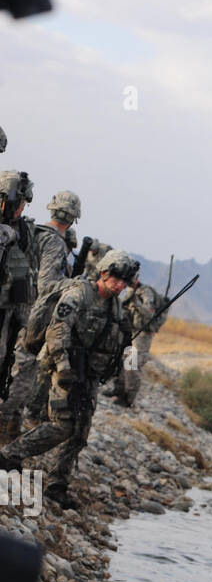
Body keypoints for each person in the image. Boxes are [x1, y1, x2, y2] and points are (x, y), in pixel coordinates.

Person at [0, 248, 136, 508]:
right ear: (104, 273)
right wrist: (63, 367)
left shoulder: (117, 308)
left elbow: (129, 343)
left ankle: (57, 485)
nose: (119, 285)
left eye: (124, 281)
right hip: (63, 368)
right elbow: (57, 331)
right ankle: (9, 454)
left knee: (80, 433)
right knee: (62, 425)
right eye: (115, 278)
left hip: (90, 375)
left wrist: (126, 371)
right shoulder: (79, 294)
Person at [0, 188, 81, 438]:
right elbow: (46, 284)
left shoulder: (29, 230)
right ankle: (4, 421)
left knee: (9, 366)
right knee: (23, 374)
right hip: (31, 315)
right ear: (73, 218)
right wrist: (76, 285)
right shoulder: (54, 242)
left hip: (11, 308)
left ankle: (10, 429)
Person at [0, 170, 36, 436]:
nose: (21, 209)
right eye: (18, 203)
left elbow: (24, 273)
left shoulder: (22, 231)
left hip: (7, 314)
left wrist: (22, 318)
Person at [109, 275, 168, 407]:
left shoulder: (146, 293)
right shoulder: (131, 291)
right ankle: (118, 390)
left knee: (132, 364)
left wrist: (136, 303)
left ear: (136, 279)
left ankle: (129, 398)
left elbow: (149, 313)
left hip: (143, 334)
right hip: (131, 330)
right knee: (122, 359)